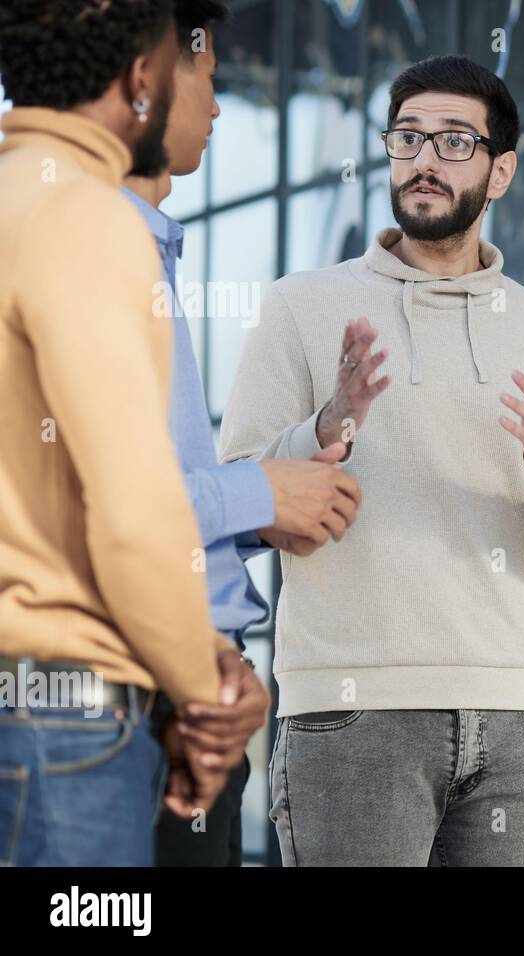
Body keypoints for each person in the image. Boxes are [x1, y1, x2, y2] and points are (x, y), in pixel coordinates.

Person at [219, 54, 524, 866]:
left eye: (452, 141)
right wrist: (326, 426)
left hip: (515, 722)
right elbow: (237, 502)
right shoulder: (302, 306)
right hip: (349, 715)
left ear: (501, 171)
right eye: (407, 138)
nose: (424, 161)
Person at [0, 0, 253, 865]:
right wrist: (203, 692)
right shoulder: (86, 221)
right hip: (61, 722)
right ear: (142, 77)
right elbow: (136, 516)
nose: (212, 101)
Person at [121, 0, 362, 866]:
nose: (219, 105)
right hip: (135, 703)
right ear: (150, 74)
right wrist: (262, 490)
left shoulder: (149, 252)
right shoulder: (98, 249)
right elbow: (87, 508)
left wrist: (277, 490)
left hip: (186, 700)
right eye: (210, 74)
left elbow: (155, 499)